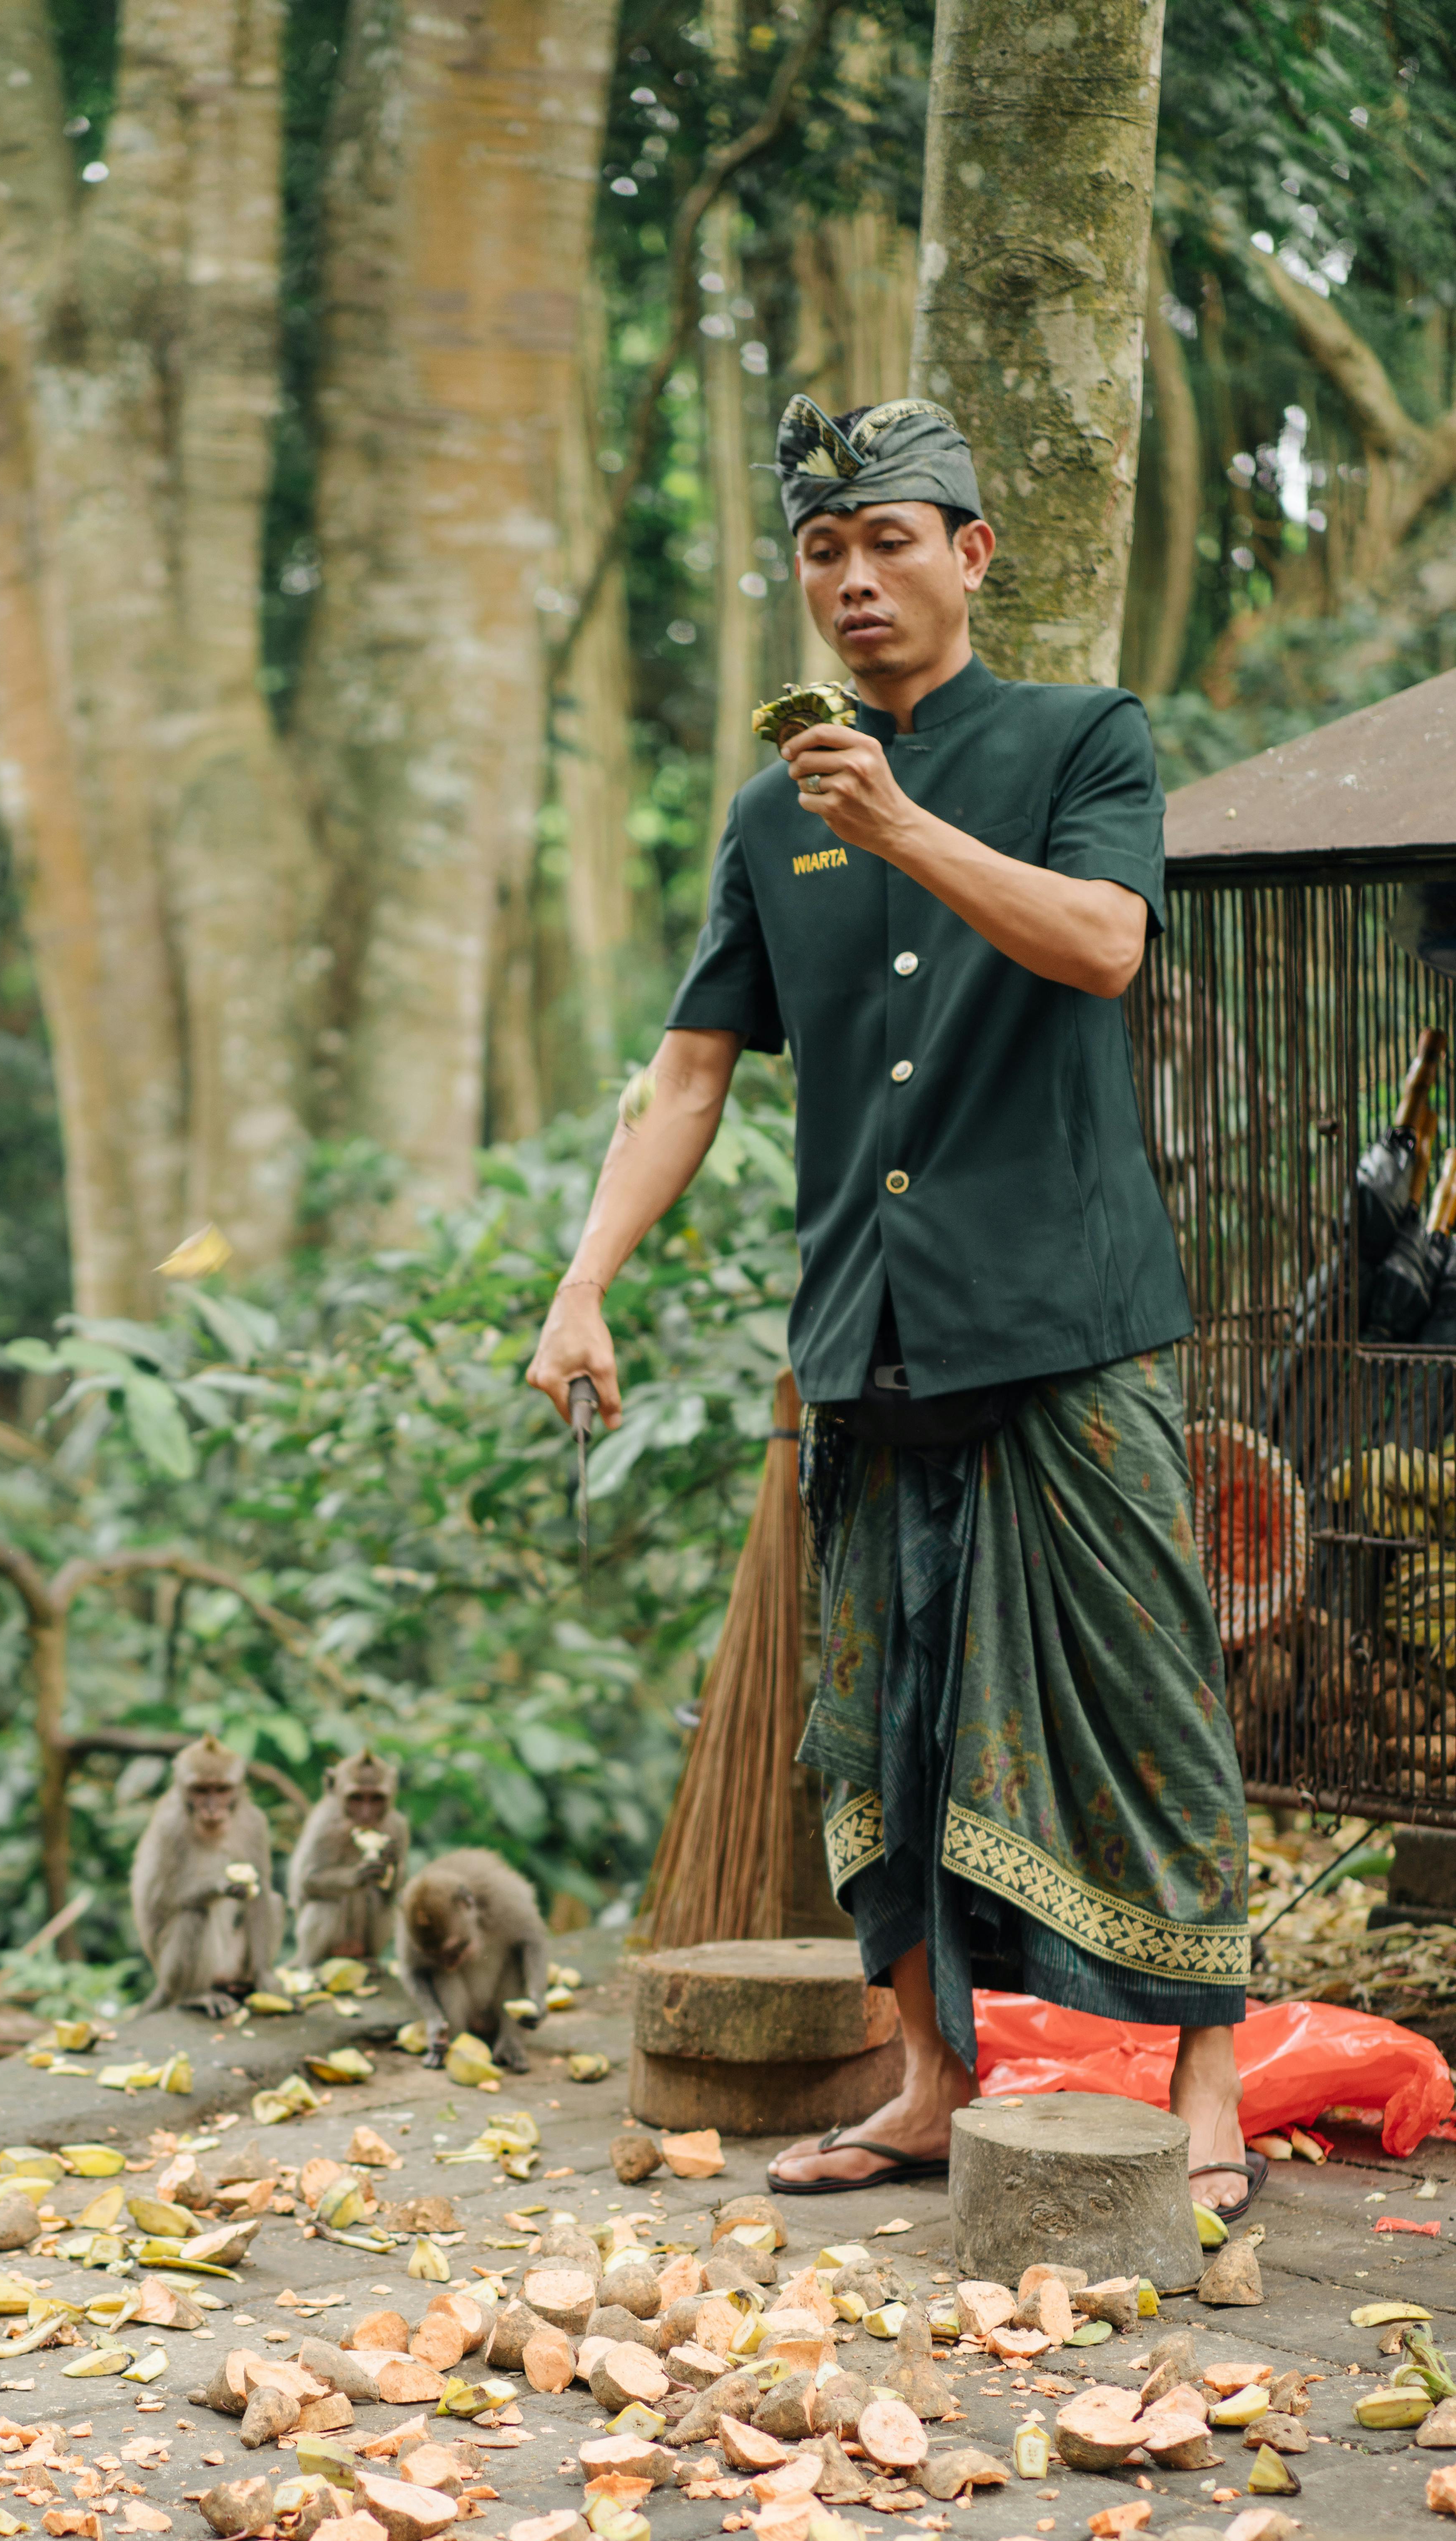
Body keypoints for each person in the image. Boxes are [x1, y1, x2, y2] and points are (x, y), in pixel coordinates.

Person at [526, 393, 1255, 2210]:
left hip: (1070, 1323)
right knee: (881, 1730)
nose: (854, 581)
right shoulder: (781, 811)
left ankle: (1208, 2090)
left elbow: (1100, 942)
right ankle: (932, 2080)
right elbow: (690, 1072)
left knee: (1145, 1702)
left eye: (890, 544)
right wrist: (583, 1281)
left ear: (971, 556)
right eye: (823, 555)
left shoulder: (1088, 738)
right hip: (866, 1330)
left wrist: (906, 824)